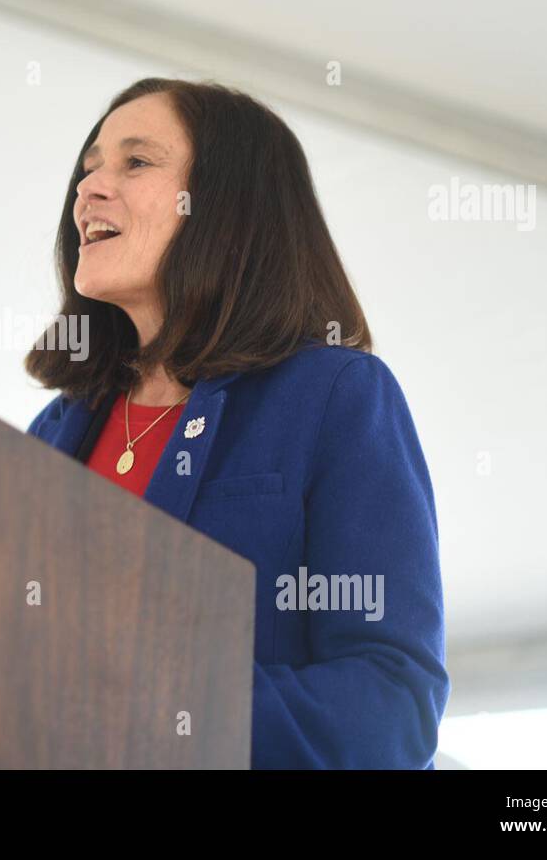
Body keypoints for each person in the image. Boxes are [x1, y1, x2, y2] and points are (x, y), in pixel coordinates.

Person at [24, 77, 449, 768]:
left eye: (135, 162)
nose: (88, 189)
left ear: (224, 204)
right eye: (89, 166)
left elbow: (388, 708)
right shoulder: (57, 429)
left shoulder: (335, 395)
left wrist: (151, 710)